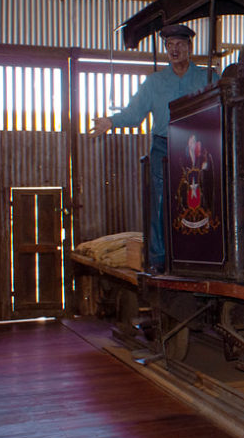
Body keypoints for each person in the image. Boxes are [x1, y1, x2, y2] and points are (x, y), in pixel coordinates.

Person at [90, 24, 218, 272]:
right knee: (159, 200)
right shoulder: (154, 82)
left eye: (179, 44)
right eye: (169, 45)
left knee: (203, 199)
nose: (174, 49)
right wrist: (111, 122)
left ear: (190, 48)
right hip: (164, 146)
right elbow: (134, 113)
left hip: (200, 148)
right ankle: (159, 259)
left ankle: (202, 253)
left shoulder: (208, 77)